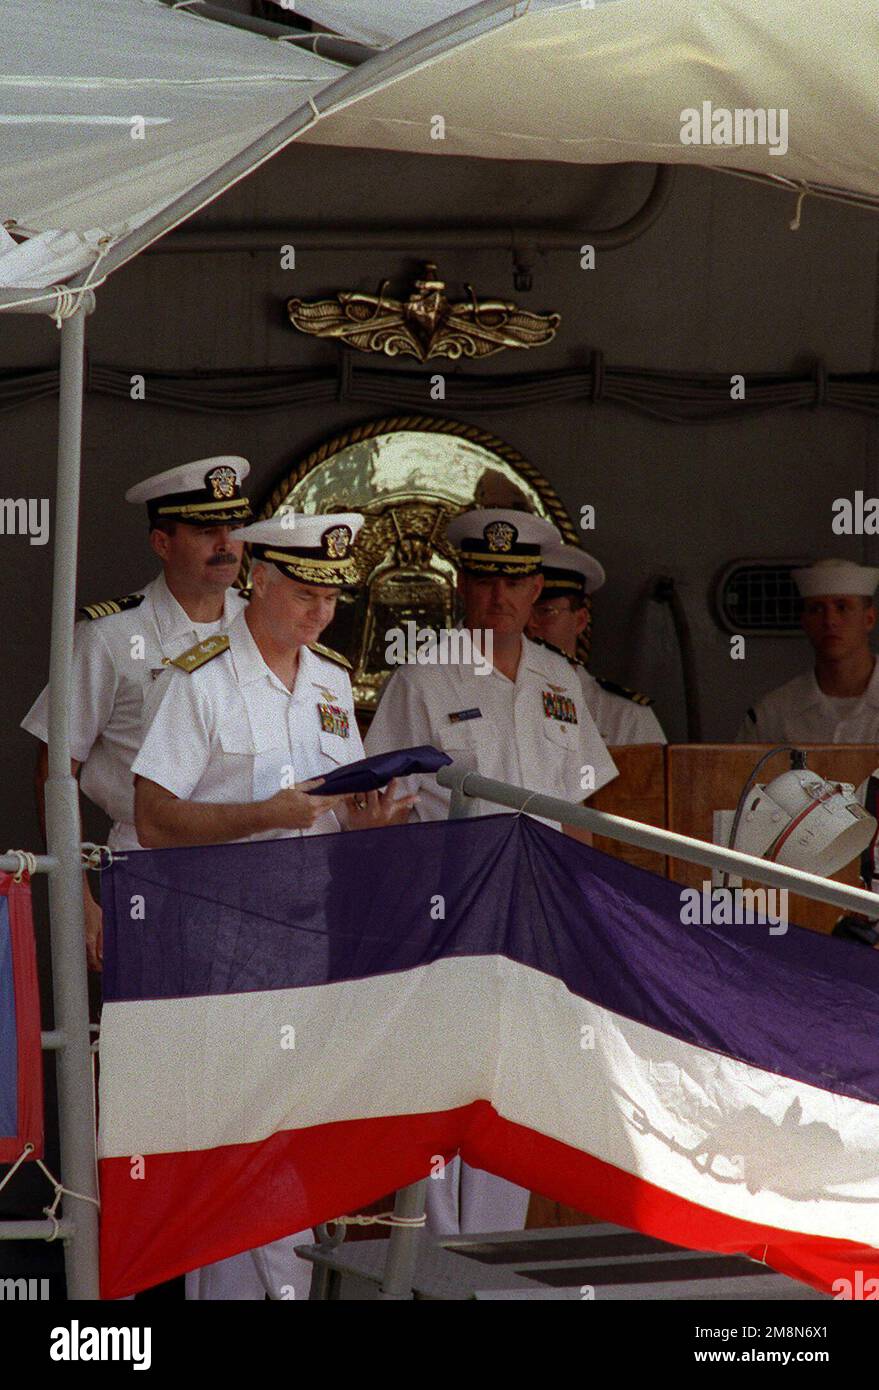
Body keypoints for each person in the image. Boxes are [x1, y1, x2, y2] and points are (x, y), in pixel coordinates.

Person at [133, 513, 415, 1300]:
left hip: (306, 936)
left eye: (330, 595)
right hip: (217, 939)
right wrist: (263, 814)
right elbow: (152, 818)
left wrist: (363, 824)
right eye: (302, 591)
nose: (319, 611)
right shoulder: (201, 678)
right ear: (258, 578)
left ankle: (282, 1291)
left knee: (289, 1135)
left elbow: (337, 801)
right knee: (227, 1140)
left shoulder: (328, 678)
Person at [364, 508, 619, 1237]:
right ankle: (437, 1260)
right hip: (448, 912)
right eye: (482, 580)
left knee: (518, 1090)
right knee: (445, 1086)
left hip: (538, 914)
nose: (496, 597)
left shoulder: (560, 678)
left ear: (535, 586)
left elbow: (578, 810)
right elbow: (389, 808)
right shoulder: (422, 677)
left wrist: (587, 915)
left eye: (512, 581)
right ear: (460, 585)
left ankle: (495, 1268)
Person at [21, 456, 253, 970]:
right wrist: (77, 901)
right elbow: (55, 769)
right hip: (154, 869)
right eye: (206, 529)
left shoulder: (263, 627)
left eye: (235, 526)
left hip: (255, 864)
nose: (226, 543)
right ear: (162, 542)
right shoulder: (108, 636)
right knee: (158, 1040)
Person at [526, 543, 666, 745]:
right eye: (524, 612)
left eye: (546, 611)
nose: (530, 624)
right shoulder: (491, 702)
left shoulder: (624, 717)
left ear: (580, 620)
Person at [736, 558, 879, 743]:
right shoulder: (772, 714)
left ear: (868, 619)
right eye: (817, 609)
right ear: (804, 621)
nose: (829, 620)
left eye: (842, 607)